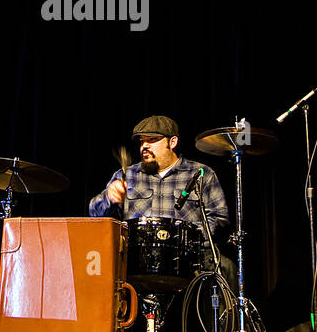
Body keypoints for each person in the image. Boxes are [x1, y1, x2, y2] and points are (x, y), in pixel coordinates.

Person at [89, 116, 233, 280]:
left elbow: (220, 219)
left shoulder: (201, 174)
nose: (144, 146)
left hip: (188, 268)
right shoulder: (127, 175)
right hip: (137, 268)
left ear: (172, 142)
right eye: (142, 141)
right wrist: (108, 198)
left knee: (225, 269)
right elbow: (95, 215)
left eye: (152, 140)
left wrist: (187, 240)